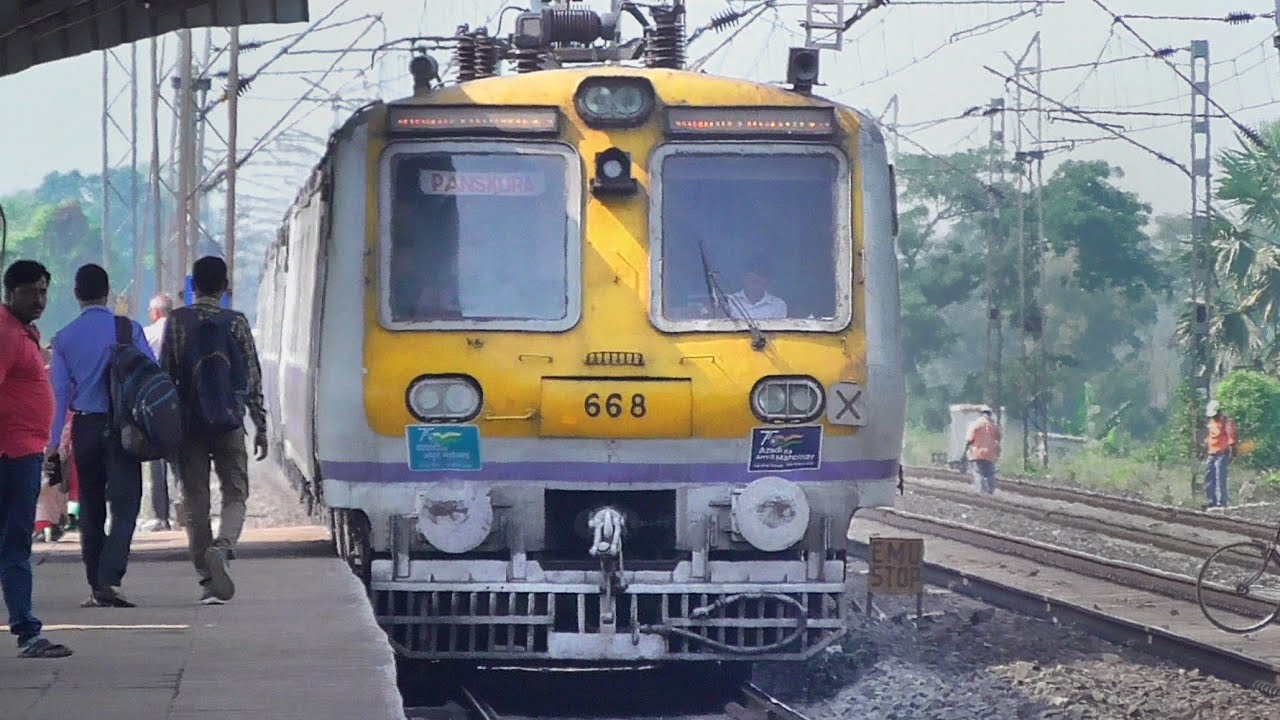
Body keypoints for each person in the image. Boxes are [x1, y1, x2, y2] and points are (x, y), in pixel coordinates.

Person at [160, 256, 268, 605]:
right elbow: (251, 377)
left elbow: (165, 374)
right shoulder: (235, 322)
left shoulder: (176, 321)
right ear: (225, 286)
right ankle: (223, 548)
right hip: (229, 420)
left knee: (195, 501)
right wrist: (260, 425)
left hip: (189, 424)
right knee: (235, 492)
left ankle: (207, 581)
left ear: (194, 286)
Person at [48, 264, 154, 608]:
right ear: (107, 293)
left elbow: (60, 395)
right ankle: (110, 576)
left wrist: (52, 444)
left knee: (91, 505)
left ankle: (96, 584)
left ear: (77, 295)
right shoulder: (128, 329)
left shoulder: (64, 338)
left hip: (86, 428)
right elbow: (151, 377)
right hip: (124, 428)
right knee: (126, 506)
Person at [0, 260, 72, 657]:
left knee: (11, 543)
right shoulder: (7, 336)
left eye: (43, 291)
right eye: (30, 292)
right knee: (14, 544)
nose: (39, 299)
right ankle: (28, 631)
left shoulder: (21, 333)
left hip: (21, 453)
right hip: (10, 456)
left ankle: (26, 627)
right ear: (10, 293)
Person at [140, 293, 176, 532]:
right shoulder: (182, 333)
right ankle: (185, 511)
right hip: (180, 400)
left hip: (154, 402)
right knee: (182, 459)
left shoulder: (146, 333)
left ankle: (160, 516)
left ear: (155, 313)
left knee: (156, 460)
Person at [1204, 400, 1239, 509]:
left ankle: (1221, 503)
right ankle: (1211, 500)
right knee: (1210, 478)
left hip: (1222, 454)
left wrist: (1233, 452)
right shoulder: (1211, 422)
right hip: (1212, 453)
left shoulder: (1226, 422)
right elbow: (1210, 437)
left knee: (1220, 478)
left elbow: (1231, 437)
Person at [965, 406, 1001, 495]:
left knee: (978, 472)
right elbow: (999, 437)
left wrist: (967, 450)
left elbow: (969, 439)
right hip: (990, 453)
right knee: (989, 473)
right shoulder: (993, 425)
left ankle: (981, 491)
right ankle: (990, 491)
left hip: (977, 452)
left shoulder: (976, 424)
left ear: (981, 413)